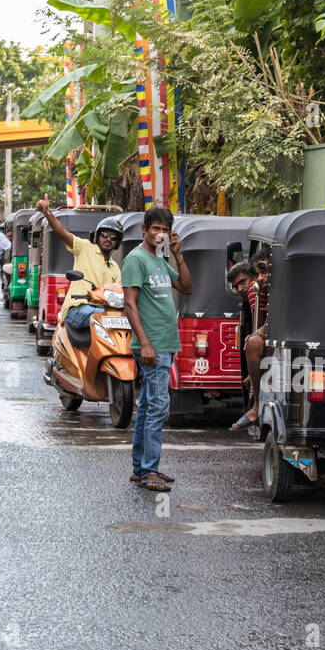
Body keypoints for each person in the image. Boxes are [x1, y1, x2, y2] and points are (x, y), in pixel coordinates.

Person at [121, 206, 191, 492]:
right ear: (144, 230)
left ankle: (141, 469)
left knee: (150, 406)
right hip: (153, 346)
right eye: (156, 229)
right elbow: (129, 304)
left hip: (165, 344)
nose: (160, 234)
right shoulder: (136, 259)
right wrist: (146, 343)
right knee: (158, 407)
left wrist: (177, 253)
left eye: (165, 230)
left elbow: (186, 287)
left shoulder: (161, 260)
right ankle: (149, 470)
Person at [33, 200, 123, 333]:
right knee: (106, 317)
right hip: (78, 308)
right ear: (98, 236)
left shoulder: (115, 267)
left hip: (104, 312)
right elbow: (62, 232)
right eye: (105, 235)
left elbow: (118, 293)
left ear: (117, 242)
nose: (108, 239)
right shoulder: (85, 247)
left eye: (113, 237)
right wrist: (47, 212)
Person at [230, 254, 270, 430]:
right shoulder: (259, 289)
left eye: (242, 282)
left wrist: (260, 332)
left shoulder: (256, 290)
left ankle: (256, 407)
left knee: (253, 343)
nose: (240, 289)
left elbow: (262, 324)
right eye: (236, 286)